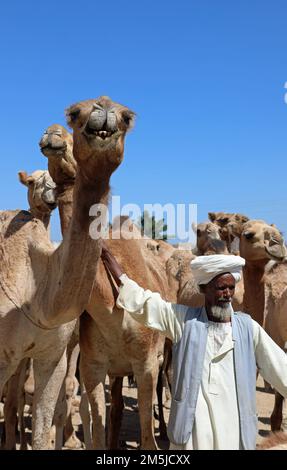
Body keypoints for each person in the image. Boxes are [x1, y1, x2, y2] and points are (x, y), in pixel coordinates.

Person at [101, 245, 287, 450]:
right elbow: (145, 302)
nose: (227, 294)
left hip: (235, 436)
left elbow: (281, 368)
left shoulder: (248, 329)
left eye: (231, 288)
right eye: (220, 288)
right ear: (203, 288)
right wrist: (109, 259)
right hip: (192, 438)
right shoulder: (183, 321)